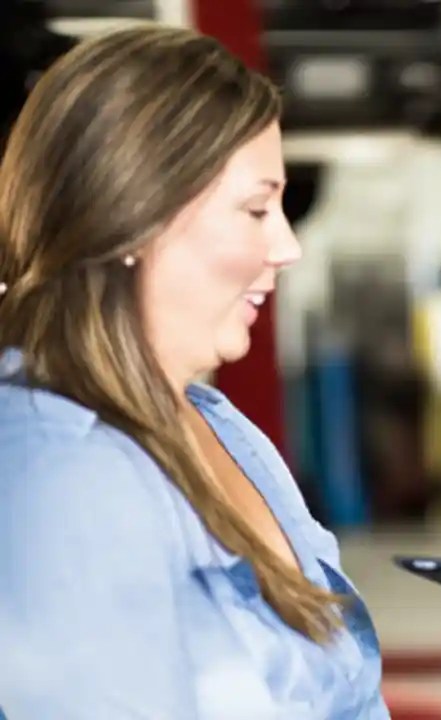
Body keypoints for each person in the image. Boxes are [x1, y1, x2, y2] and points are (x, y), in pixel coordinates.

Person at [0, 26, 389, 719]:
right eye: (255, 209)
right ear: (133, 216)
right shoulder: (55, 465)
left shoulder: (224, 428)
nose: (287, 246)